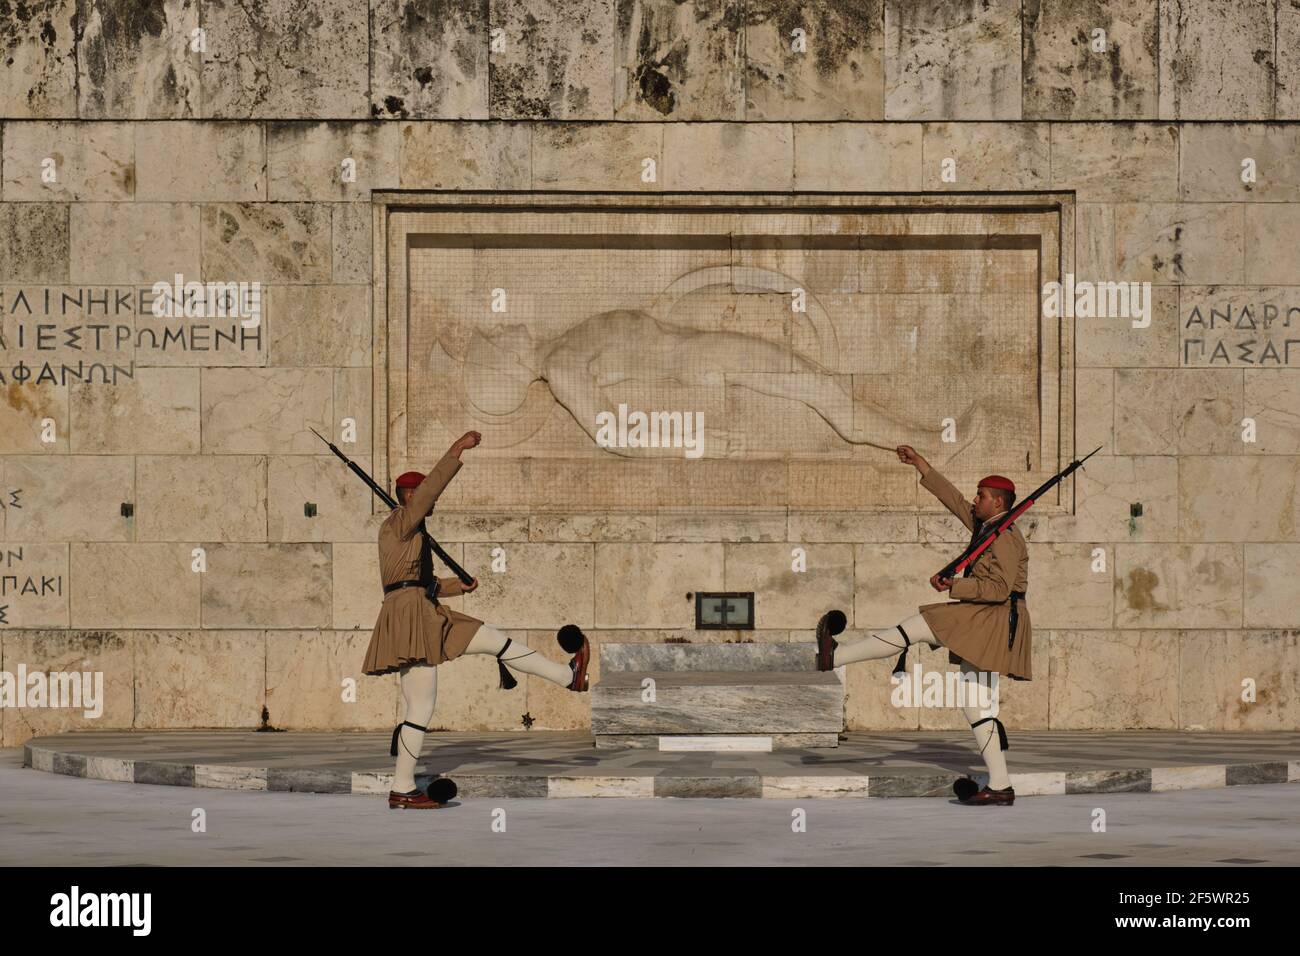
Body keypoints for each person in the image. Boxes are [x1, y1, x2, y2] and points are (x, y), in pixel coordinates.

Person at [362, 430, 591, 809]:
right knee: (420, 707)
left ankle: (570, 677)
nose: (428, 504)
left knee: (493, 640)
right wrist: (456, 450)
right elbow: (430, 492)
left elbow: (423, 583)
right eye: (419, 497)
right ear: (408, 497)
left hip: (425, 610)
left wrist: (458, 587)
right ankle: (402, 787)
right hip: (411, 618)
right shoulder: (401, 521)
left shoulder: (409, 531)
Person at [815, 444, 1031, 806]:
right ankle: (1001, 785)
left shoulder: (1006, 537)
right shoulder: (987, 527)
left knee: (919, 625)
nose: (975, 500)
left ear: (998, 502)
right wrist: (921, 465)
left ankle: (835, 657)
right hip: (986, 618)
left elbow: (999, 590)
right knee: (975, 702)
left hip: (992, 618)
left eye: (981, 495)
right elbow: (955, 500)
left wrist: (954, 586)